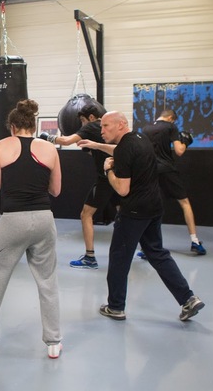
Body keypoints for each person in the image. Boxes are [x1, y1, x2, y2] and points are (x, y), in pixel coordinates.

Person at [79, 111, 205, 322]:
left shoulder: (127, 147)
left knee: (119, 258)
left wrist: (108, 170)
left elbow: (122, 189)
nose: (102, 131)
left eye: (106, 126)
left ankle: (116, 307)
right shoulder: (139, 139)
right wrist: (96, 145)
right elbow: (120, 151)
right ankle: (188, 299)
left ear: (121, 125)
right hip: (154, 207)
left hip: (134, 211)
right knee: (157, 253)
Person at [0, 99, 64, 359]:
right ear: (32, 126)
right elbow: (56, 190)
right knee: (48, 280)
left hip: (13, 221)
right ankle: (54, 343)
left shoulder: (1, 146)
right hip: (44, 219)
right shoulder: (49, 149)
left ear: (12, 127)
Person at [42, 101, 117, 269]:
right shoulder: (107, 129)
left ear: (90, 117)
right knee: (126, 214)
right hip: (121, 176)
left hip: (105, 179)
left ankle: (90, 257)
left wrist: (48, 137)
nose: (82, 125)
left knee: (86, 214)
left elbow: (66, 141)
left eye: (82, 121)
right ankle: (147, 248)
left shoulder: (91, 126)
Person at [141, 109, 206, 255]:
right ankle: (195, 242)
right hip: (166, 169)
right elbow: (179, 151)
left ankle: (147, 247)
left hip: (149, 170)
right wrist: (186, 141)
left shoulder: (146, 128)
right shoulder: (171, 127)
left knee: (151, 206)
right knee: (185, 203)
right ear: (171, 118)